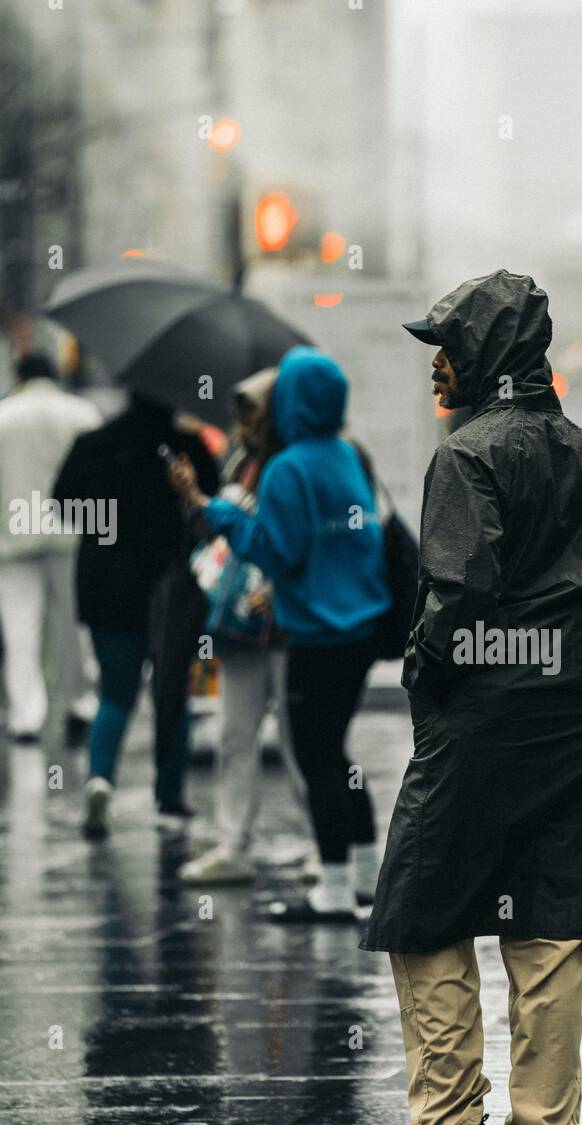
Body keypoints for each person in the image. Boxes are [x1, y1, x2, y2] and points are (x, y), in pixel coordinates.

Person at [362, 270, 582, 1125]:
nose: (436, 367)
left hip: (480, 726)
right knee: (548, 933)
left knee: (424, 916)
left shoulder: (468, 458)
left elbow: (457, 594)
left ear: (484, 359)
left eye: (445, 350)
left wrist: (426, 671)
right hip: (577, 728)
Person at [168, 347, 391, 922]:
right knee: (336, 755)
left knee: (317, 758)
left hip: (316, 631)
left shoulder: (290, 467)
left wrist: (222, 515)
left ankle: (336, 890)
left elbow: (280, 553)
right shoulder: (345, 454)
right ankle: (367, 878)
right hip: (362, 627)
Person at [53, 393, 219, 833]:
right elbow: (212, 507)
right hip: (171, 590)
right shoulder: (188, 448)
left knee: (114, 693)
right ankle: (169, 799)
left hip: (105, 588)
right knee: (171, 693)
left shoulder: (93, 443)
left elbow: (61, 503)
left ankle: (100, 780)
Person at [178, 368, 316, 886]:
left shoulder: (294, 468)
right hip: (240, 626)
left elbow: (296, 545)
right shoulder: (245, 465)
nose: (241, 427)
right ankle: (233, 842)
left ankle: (321, 846)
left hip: (286, 624)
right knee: (235, 735)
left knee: (300, 738)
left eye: (251, 415)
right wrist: (195, 498)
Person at [0, 353, 101, 742]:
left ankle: (27, 716)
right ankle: (81, 704)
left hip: (14, 536)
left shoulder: (5, 416)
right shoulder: (82, 414)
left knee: (20, 629)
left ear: (20, 375)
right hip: (71, 531)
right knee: (75, 627)